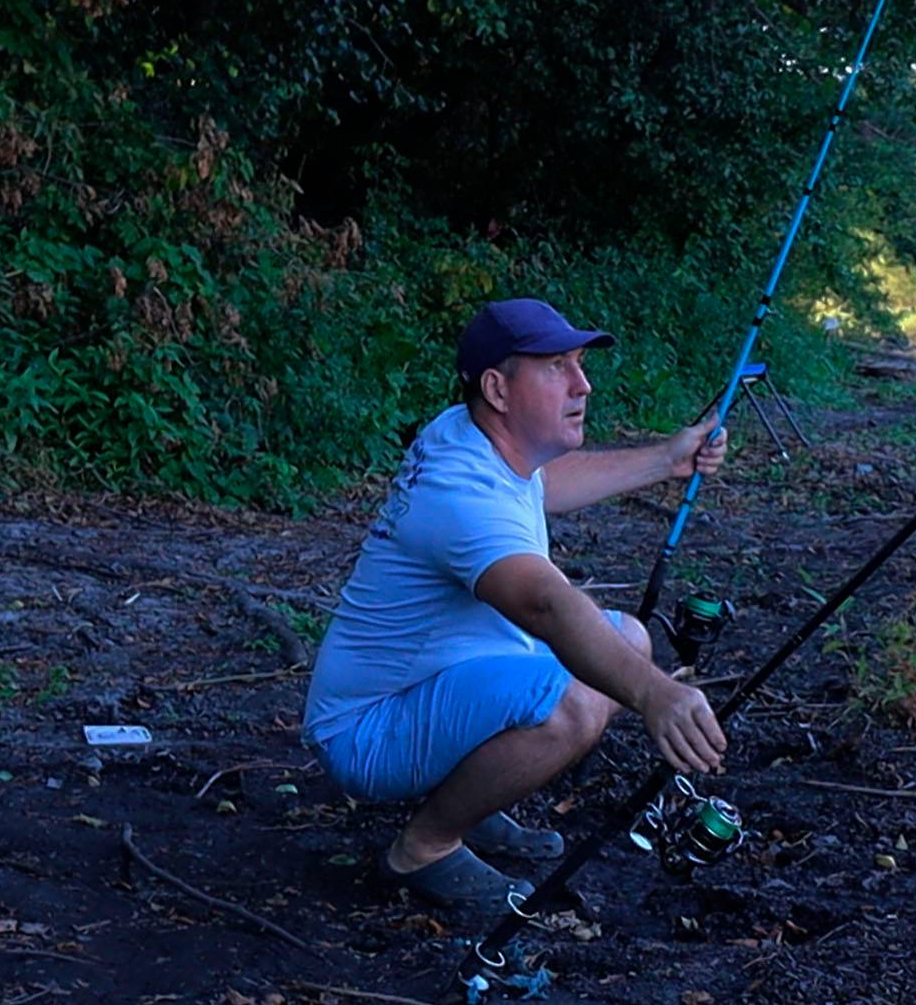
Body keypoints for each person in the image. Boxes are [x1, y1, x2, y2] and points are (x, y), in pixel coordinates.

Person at [302, 297, 731, 912]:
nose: (582, 385)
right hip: (366, 730)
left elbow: (544, 482)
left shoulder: (471, 433)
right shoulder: (459, 493)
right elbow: (547, 606)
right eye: (557, 367)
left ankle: (467, 799)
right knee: (574, 703)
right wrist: (656, 694)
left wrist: (668, 459)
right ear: (497, 389)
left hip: (434, 687)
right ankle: (422, 848)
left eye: (579, 364)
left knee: (629, 639)